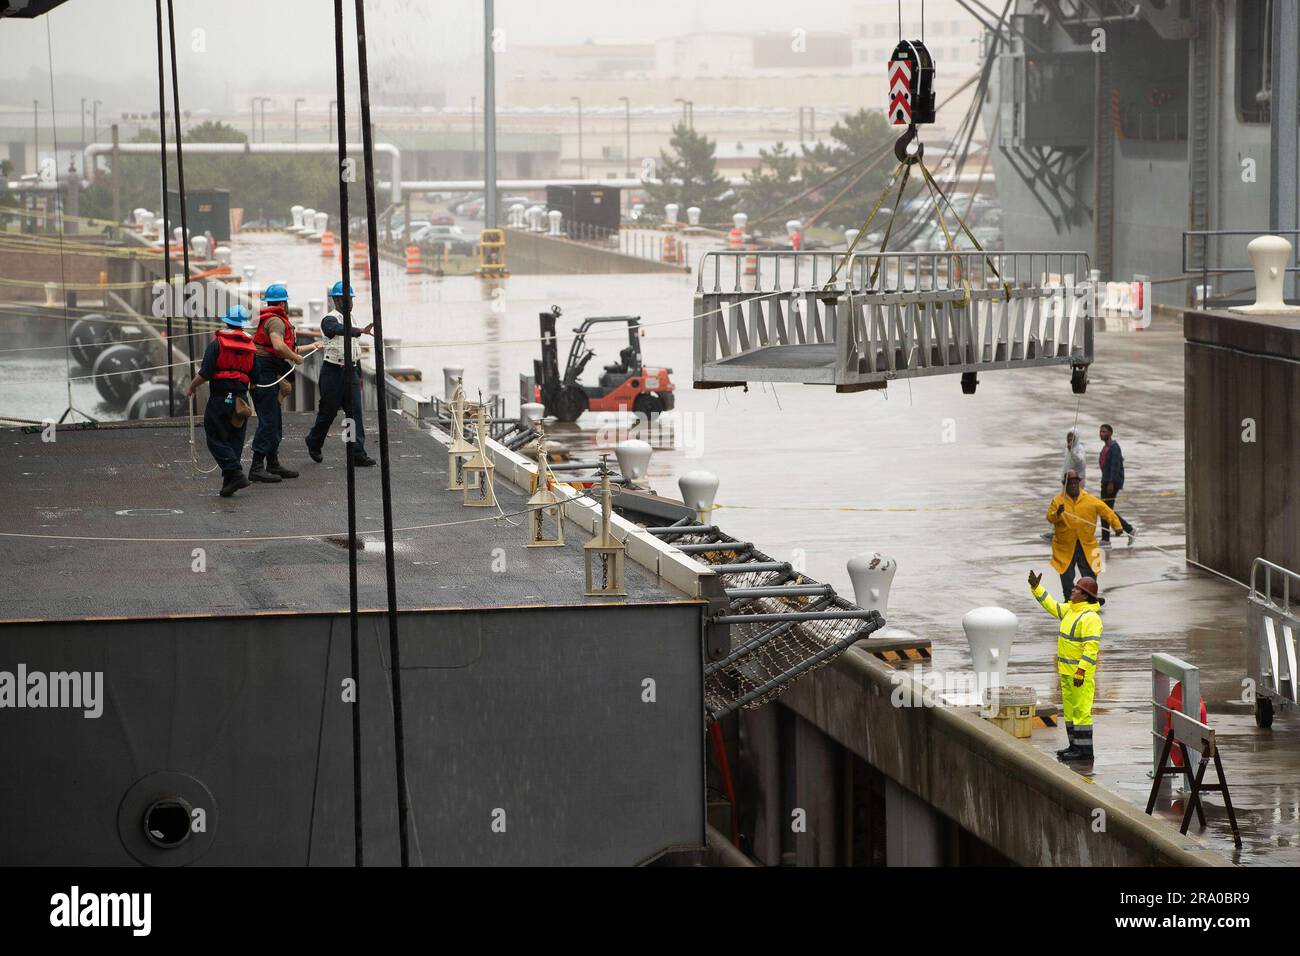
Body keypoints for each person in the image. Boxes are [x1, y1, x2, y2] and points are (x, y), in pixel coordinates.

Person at [1027, 569, 1104, 762]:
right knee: (1070, 712)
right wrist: (1037, 588)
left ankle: (1085, 752)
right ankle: (1074, 746)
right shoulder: (1071, 610)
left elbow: (1091, 648)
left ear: (1085, 596)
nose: (1072, 590)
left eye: (1076, 590)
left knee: (1081, 712)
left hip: (1080, 675)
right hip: (1067, 672)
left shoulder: (1090, 618)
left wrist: (1081, 670)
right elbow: (1051, 605)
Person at [249, 282, 318, 483]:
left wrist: (310, 347)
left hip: (267, 369)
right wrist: (296, 359)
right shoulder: (277, 322)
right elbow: (279, 346)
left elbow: (281, 348)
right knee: (268, 420)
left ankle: (272, 463)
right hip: (265, 372)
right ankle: (256, 466)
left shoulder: (269, 319)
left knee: (275, 419)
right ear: (283, 303)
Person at [185, 305, 255, 498]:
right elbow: (254, 376)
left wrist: (192, 386)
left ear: (226, 321)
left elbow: (206, 373)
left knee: (215, 436)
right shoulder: (251, 346)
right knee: (235, 439)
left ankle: (235, 473)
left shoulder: (217, 344)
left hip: (220, 397)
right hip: (241, 400)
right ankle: (229, 482)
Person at [305, 281, 377, 467]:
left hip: (350, 371)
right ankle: (314, 441)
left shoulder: (352, 318)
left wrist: (358, 374)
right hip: (333, 372)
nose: (349, 302)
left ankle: (356, 452)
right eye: (345, 299)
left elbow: (354, 350)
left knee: (354, 414)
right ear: (336, 300)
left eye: (350, 299)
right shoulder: (330, 319)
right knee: (327, 413)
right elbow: (334, 329)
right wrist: (358, 331)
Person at [1046, 469, 1134, 598]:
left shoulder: (1090, 500)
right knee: (1066, 577)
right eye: (1070, 483)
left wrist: (1118, 526)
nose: (1074, 485)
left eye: (1076, 482)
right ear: (1065, 485)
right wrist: (1057, 513)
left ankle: (1091, 600)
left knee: (1091, 577)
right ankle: (1069, 602)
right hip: (1064, 547)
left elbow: (1108, 512)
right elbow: (1049, 518)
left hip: (1088, 545)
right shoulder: (1057, 501)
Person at [1097, 423, 1135, 547]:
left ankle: (1109, 537)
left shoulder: (1114, 447)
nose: (1101, 434)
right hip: (1106, 481)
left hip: (1110, 483)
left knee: (1105, 510)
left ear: (1110, 433)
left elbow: (1115, 465)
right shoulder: (1106, 447)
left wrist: (1111, 482)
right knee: (1106, 509)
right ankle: (1126, 530)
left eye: (1104, 432)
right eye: (1100, 431)